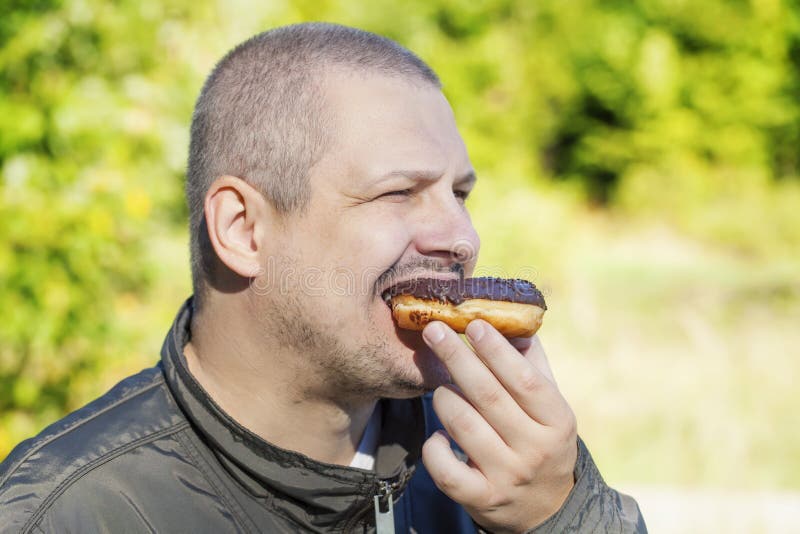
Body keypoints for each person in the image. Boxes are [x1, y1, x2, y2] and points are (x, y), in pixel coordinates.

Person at [0, 23, 645, 533]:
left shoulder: (495, 467)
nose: (463, 240)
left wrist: (563, 518)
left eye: (460, 194)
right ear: (243, 230)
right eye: (399, 193)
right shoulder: (65, 514)